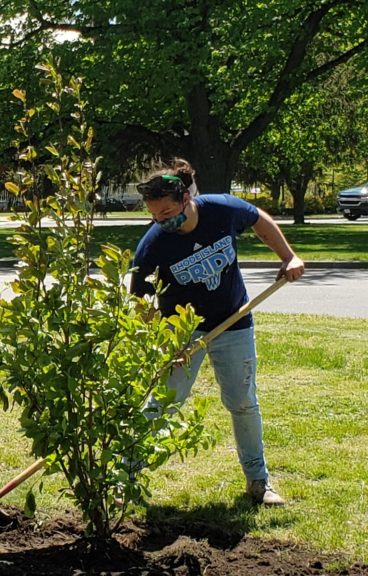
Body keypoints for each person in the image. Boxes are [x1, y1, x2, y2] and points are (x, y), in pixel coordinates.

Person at [129, 160, 305, 507]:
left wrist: (289, 257)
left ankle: (258, 482)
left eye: (167, 212)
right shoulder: (153, 245)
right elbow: (140, 303)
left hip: (233, 320)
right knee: (162, 405)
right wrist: (164, 344)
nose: (161, 221)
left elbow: (259, 219)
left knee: (243, 403)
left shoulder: (221, 209)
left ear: (186, 198)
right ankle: (125, 477)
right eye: (155, 216)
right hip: (182, 331)